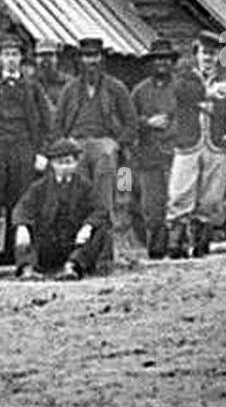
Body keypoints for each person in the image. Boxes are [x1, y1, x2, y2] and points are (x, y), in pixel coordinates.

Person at [0, 33, 54, 269]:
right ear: (0, 59)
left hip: (24, 152)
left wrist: (43, 155)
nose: (11, 59)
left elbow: (48, 126)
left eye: (15, 54)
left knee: (20, 208)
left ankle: (17, 259)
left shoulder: (33, 88)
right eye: (6, 55)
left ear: (22, 58)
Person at [53, 36, 135, 269]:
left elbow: (131, 124)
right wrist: (65, 144)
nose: (92, 61)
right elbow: (58, 125)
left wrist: (118, 143)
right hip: (77, 144)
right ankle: (77, 252)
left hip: (104, 142)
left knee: (106, 174)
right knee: (77, 190)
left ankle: (107, 252)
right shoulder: (70, 89)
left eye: (96, 56)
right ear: (80, 60)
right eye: (87, 57)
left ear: (102, 59)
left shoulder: (115, 88)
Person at [165, 30, 226, 258]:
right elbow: (182, 93)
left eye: (212, 54)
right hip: (189, 141)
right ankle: (176, 243)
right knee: (180, 191)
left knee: (211, 196)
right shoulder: (184, 75)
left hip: (215, 142)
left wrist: (209, 103)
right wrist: (209, 95)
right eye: (204, 53)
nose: (208, 58)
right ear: (196, 54)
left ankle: (201, 242)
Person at [11, 137, 111, 279]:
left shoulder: (85, 187)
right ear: (52, 164)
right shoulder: (40, 187)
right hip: (46, 245)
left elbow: (100, 209)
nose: (64, 167)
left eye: (68, 162)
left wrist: (88, 226)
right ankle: (27, 269)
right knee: (24, 228)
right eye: (60, 163)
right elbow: (22, 208)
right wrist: (22, 225)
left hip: (74, 244)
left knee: (101, 227)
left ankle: (72, 268)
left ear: (76, 163)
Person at [129, 37, 180, 259]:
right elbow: (128, 121)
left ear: (172, 62)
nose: (162, 63)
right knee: (152, 205)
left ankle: (178, 245)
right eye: (158, 59)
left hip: (178, 154)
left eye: (166, 59)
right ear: (151, 63)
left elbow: (189, 115)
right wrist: (147, 123)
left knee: (178, 201)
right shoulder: (140, 91)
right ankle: (156, 248)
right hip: (149, 156)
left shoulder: (181, 88)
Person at [35, 38, 72, 110]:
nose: (46, 59)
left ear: (57, 58)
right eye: (42, 55)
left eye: (50, 55)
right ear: (36, 59)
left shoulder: (69, 83)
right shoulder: (30, 82)